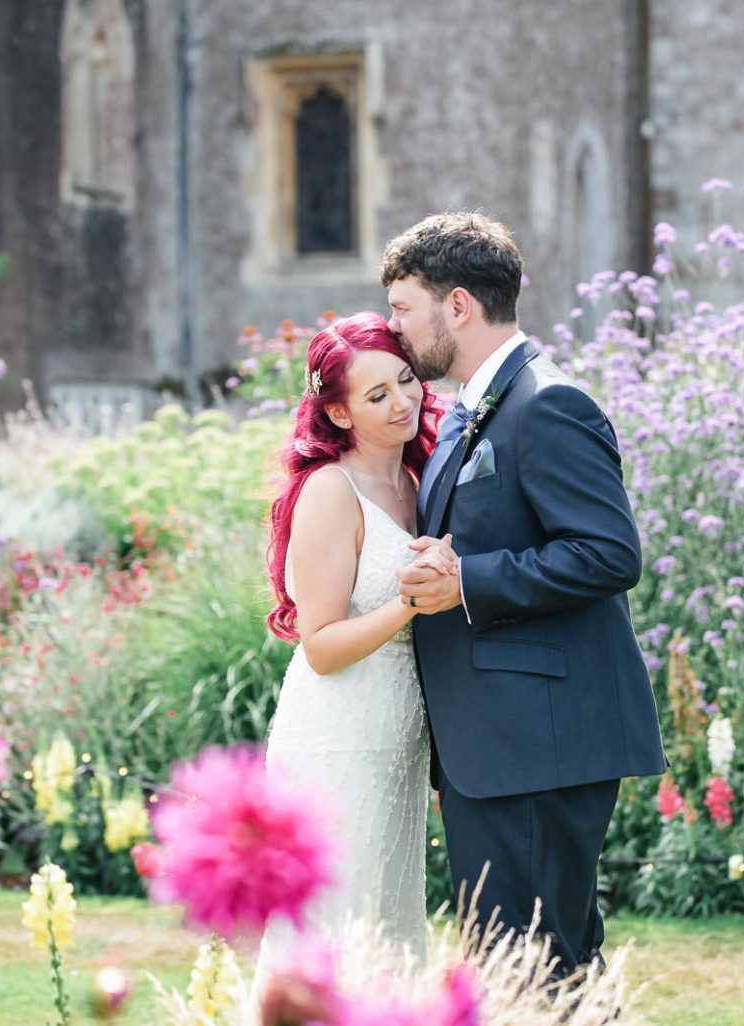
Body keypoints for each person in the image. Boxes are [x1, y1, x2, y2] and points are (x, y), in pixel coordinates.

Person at [384, 212, 667, 976]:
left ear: (458, 307)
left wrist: (466, 583)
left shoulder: (548, 405)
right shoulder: (465, 414)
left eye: (403, 308)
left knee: (536, 966)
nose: (394, 327)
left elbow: (609, 553)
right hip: (494, 745)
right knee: (529, 965)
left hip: (541, 745)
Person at [252, 311, 455, 987]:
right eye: (376, 395)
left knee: (391, 918)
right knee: (336, 924)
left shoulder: (420, 479)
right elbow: (321, 646)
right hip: (337, 733)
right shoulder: (330, 491)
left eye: (406, 381)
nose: (402, 402)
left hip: (399, 735)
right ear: (338, 412)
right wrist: (410, 600)